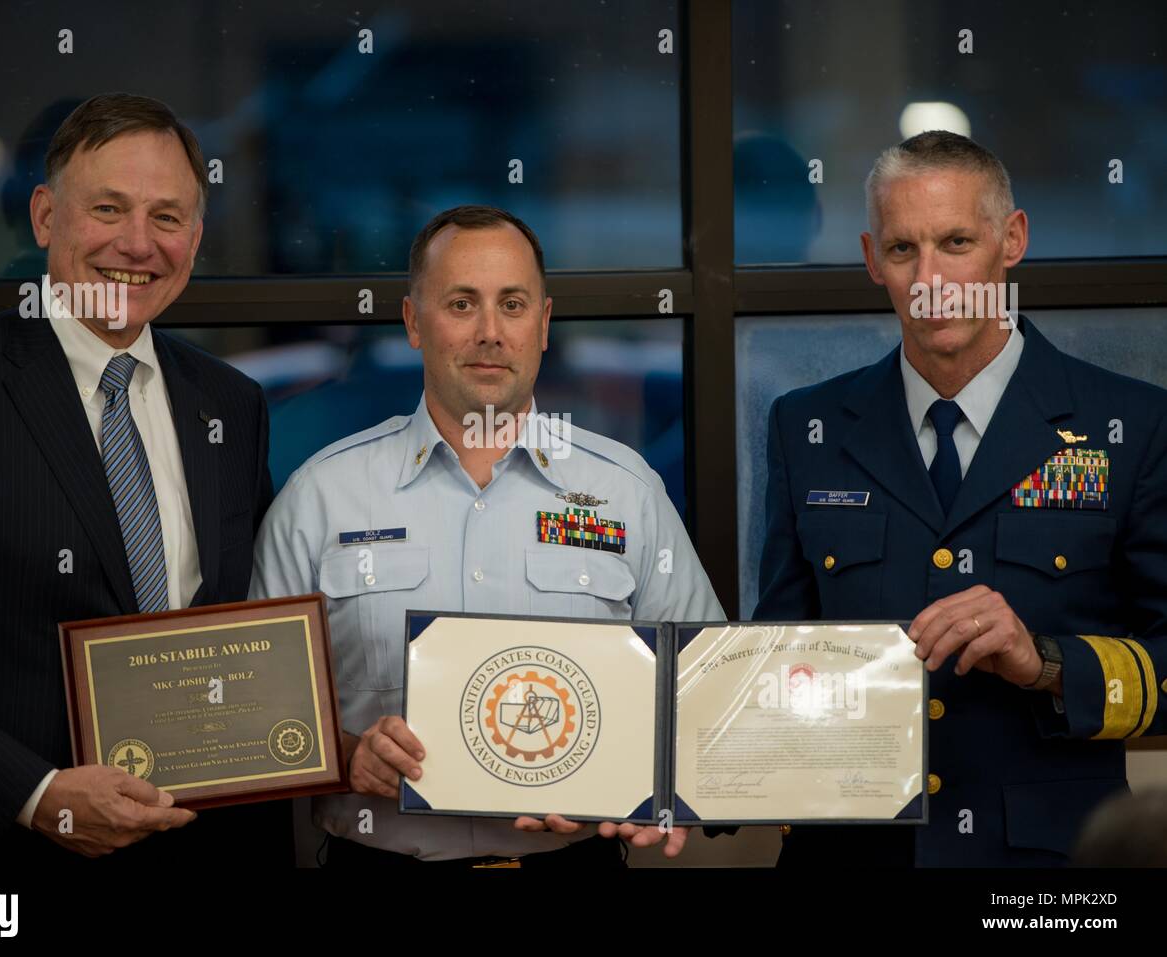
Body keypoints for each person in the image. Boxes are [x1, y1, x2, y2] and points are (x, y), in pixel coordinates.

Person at [0, 92, 290, 865]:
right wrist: (36, 793)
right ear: (44, 218)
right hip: (7, 856)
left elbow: (246, 633)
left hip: (206, 852)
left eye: (166, 218)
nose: (137, 243)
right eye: (107, 209)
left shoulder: (231, 404)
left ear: (194, 238)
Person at [250, 204, 724, 867]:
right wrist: (351, 754)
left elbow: (706, 695)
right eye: (462, 303)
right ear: (414, 322)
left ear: (544, 322)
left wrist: (647, 785)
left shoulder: (627, 492)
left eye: (513, 303)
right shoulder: (321, 496)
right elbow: (256, 718)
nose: (491, 332)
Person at [754, 130, 1167, 866]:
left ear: (1012, 240)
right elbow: (778, 657)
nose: (932, 278)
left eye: (955, 241)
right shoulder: (805, 427)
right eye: (905, 249)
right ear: (872, 259)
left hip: (1044, 868)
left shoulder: (1132, 426)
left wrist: (1043, 661)